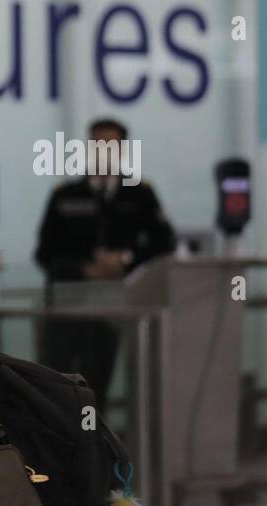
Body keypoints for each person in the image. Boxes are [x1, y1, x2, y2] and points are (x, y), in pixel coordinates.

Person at [35, 117, 175, 408]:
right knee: (56, 384)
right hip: (67, 304)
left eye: (110, 145)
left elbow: (165, 242)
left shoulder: (139, 193)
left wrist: (126, 259)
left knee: (97, 385)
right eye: (97, 144)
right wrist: (84, 269)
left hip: (113, 304)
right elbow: (45, 252)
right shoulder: (66, 196)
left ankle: (95, 449)